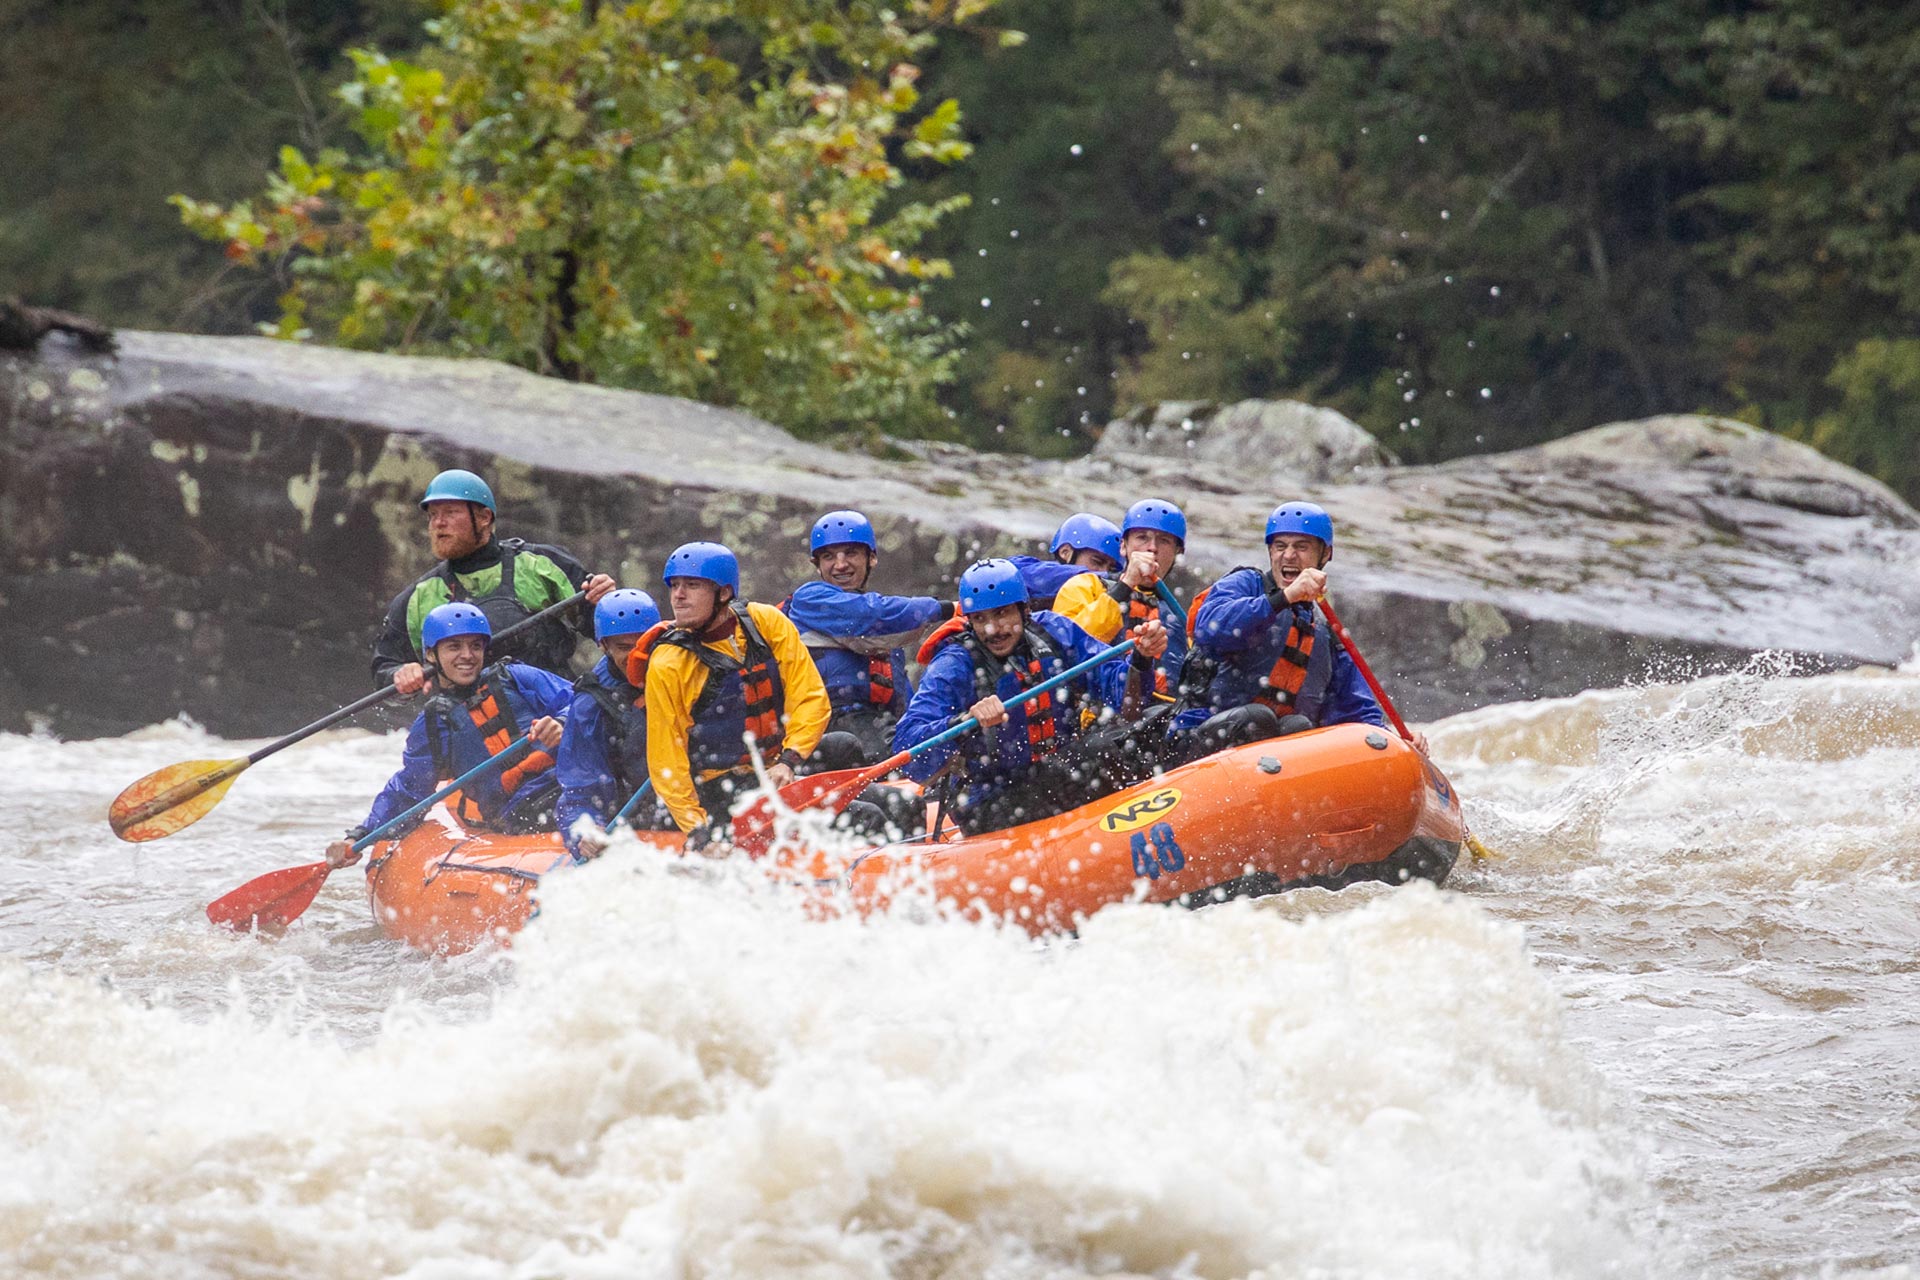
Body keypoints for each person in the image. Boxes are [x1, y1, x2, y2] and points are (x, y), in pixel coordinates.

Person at [891, 558, 1167, 836]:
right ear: (969, 621)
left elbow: (1127, 702)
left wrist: (1142, 659)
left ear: (1024, 610)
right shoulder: (954, 665)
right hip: (991, 803)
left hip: (1056, 774)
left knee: (1149, 727)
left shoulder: (1053, 633)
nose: (992, 629)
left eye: (1001, 614)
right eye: (980, 619)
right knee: (1101, 753)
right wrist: (964, 722)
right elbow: (908, 748)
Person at [1168, 501, 1428, 766]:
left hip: (1273, 763)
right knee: (1257, 719)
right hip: (1200, 744)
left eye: (1301, 547)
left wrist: (1394, 745)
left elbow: (1357, 711)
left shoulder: (1324, 633)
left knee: (1299, 728)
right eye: (1280, 546)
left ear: (1325, 555)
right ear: (1270, 551)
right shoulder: (1245, 584)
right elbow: (1211, 628)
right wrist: (1284, 598)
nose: (1289, 556)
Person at [325, 603, 573, 868]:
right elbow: (409, 792)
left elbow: (584, 703)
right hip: (521, 813)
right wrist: (359, 836)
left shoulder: (517, 677)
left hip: (569, 788)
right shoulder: (435, 723)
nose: (467, 655)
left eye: (475, 646)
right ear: (431, 654)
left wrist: (563, 720)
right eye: (454, 647)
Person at [644, 541, 834, 848]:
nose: (678, 596)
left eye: (692, 586)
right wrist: (697, 830)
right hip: (724, 789)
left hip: (777, 766)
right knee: (872, 814)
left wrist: (789, 758)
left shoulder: (764, 622)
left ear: (724, 593)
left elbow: (809, 696)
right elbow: (667, 759)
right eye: (674, 585)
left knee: (845, 746)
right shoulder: (669, 663)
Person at [372, 469, 615, 695]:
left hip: (554, 710)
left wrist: (608, 602)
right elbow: (385, 666)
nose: (438, 523)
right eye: (433, 515)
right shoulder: (418, 598)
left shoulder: (540, 566)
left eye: (450, 512)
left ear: (484, 517)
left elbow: (609, 630)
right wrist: (400, 675)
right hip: (475, 727)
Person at [781, 510, 951, 764]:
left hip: (877, 730)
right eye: (828, 557)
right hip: (825, 731)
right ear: (817, 566)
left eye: (850, 553)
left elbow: (905, 704)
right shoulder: (810, 599)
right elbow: (869, 616)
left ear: (871, 558)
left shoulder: (887, 639)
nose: (840, 565)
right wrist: (946, 608)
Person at [555, 588, 673, 860]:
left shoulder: (683, 670)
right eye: (623, 647)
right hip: (640, 820)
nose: (636, 656)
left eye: (644, 644)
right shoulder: (591, 704)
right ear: (603, 646)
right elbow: (580, 791)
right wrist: (584, 831)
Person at [1051, 498, 1191, 696]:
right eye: (1142, 538)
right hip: (1096, 711)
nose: (1152, 548)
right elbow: (1066, 649)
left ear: (1177, 553)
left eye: (1164, 540)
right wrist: (1125, 585)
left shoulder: (1177, 614)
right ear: (1123, 547)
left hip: (1166, 716)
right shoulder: (1086, 585)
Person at [1009, 513, 1122, 608]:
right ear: (1065, 552)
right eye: (1097, 562)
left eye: (1111, 569)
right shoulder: (1033, 571)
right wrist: (1112, 577)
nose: (1103, 570)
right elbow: (1027, 576)